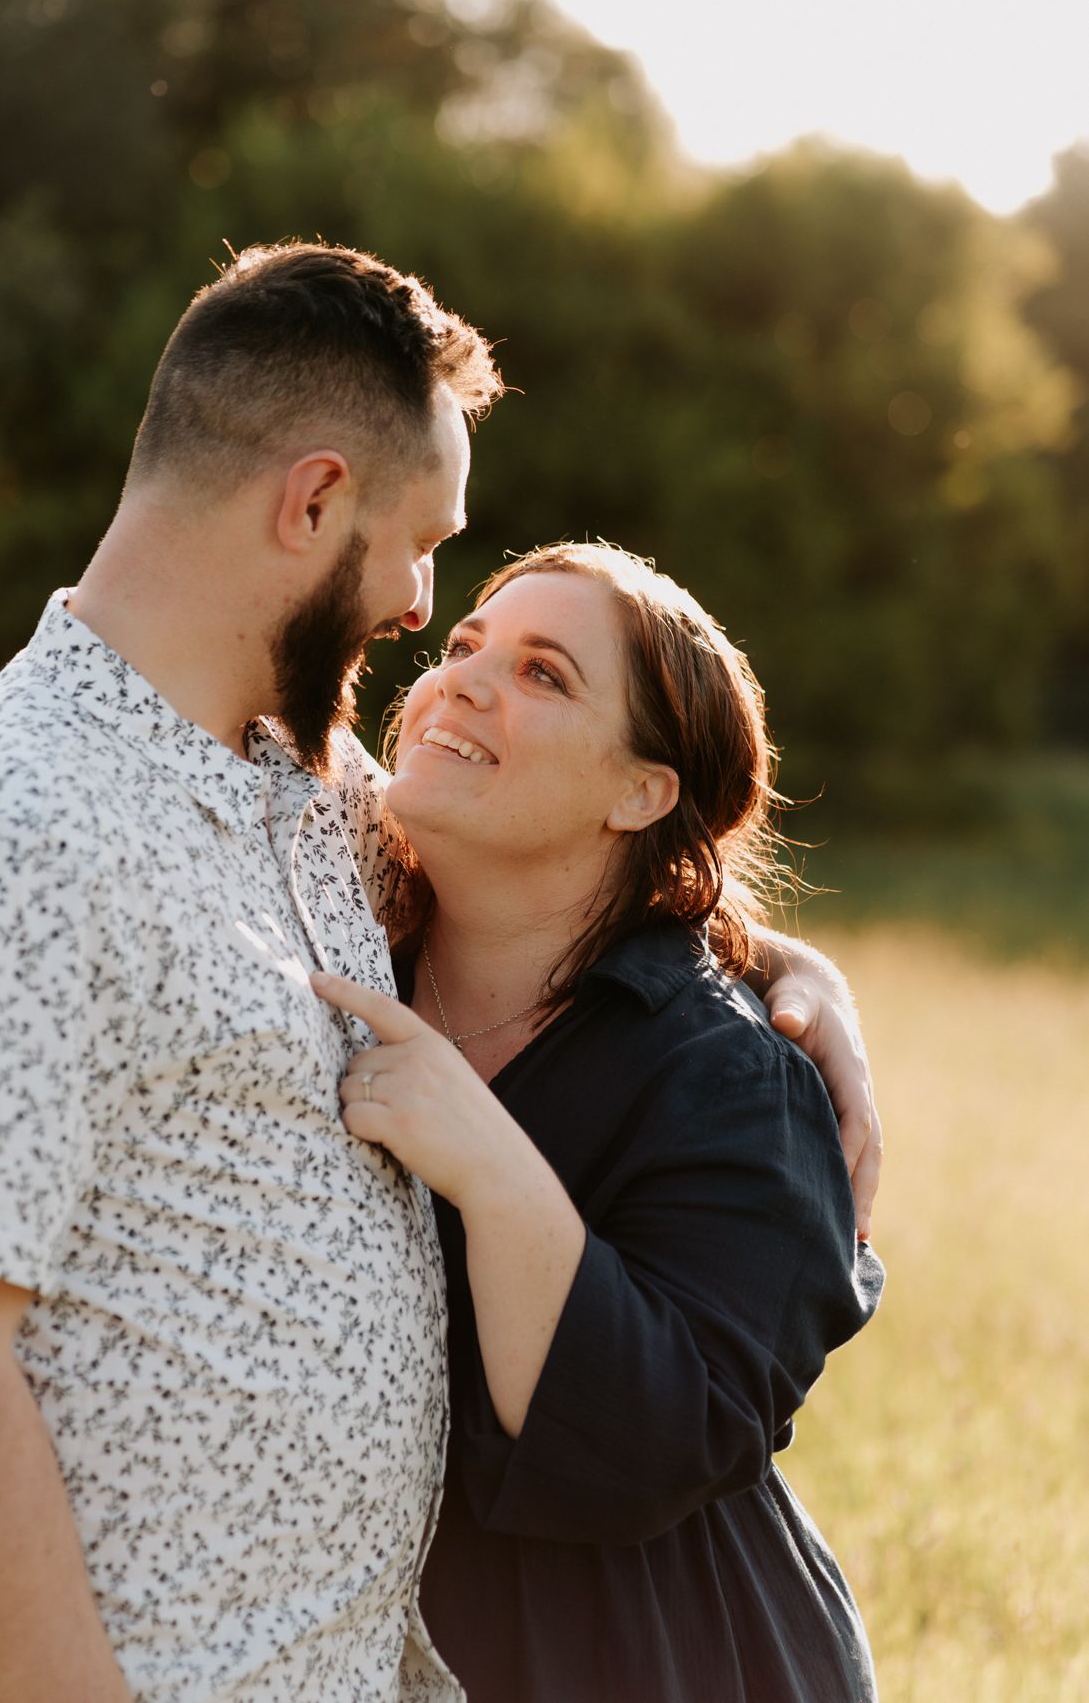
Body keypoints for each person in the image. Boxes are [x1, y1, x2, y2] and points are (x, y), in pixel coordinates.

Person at [0, 241, 876, 1703]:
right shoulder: (22, 827)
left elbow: (585, 874)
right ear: (313, 500)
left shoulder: (305, 783)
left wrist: (794, 977)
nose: (420, 611)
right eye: (424, 546)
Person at [311, 542, 885, 1703]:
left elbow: (641, 1447)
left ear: (641, 793)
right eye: (465, 645)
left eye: (544, 675)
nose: (460, 678)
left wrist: (488, 1167)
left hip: (655, 1659)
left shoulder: (733, 1079)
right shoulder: (333, 920)